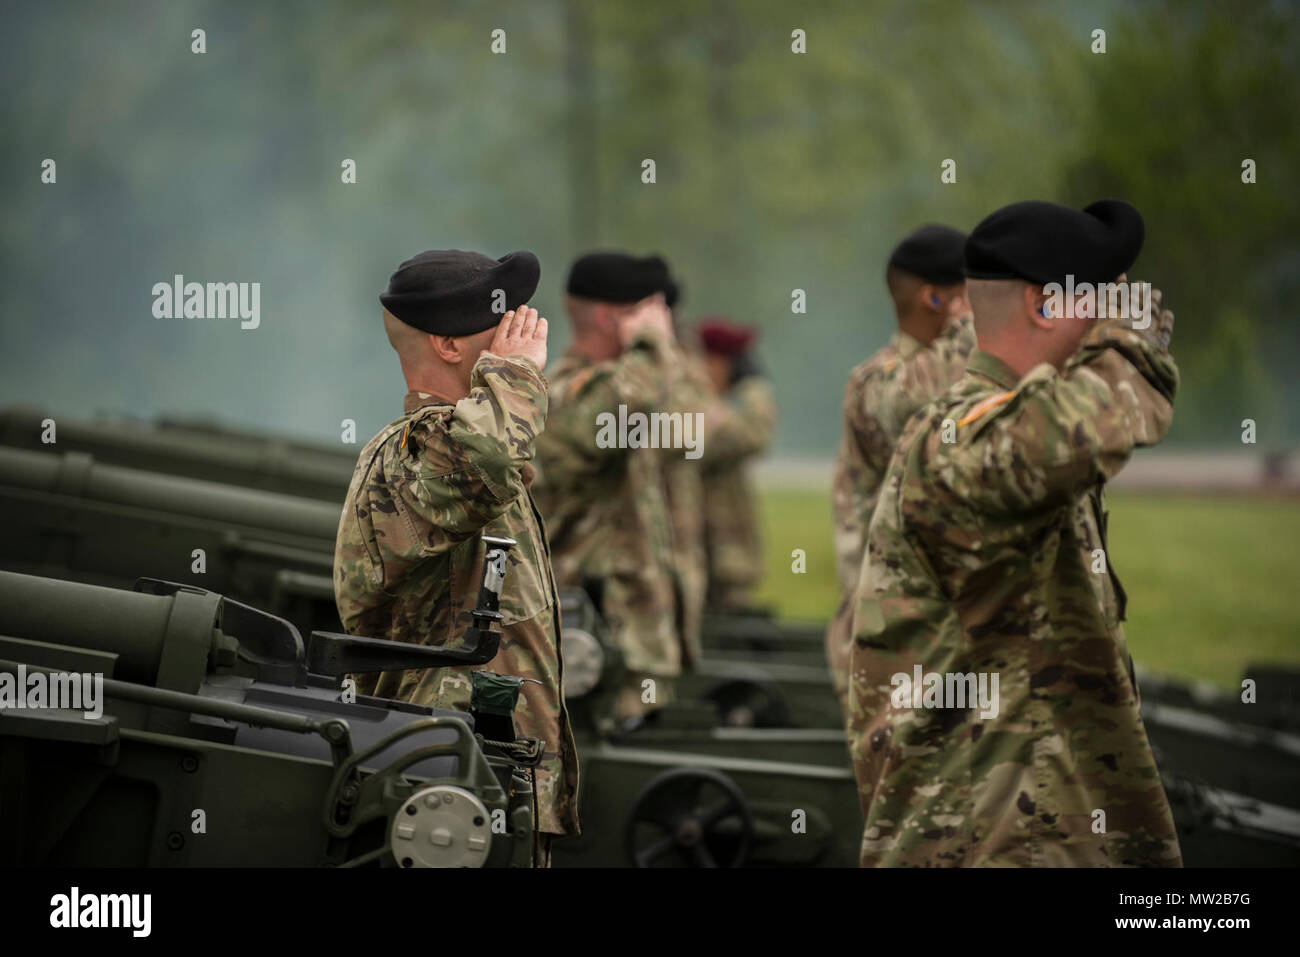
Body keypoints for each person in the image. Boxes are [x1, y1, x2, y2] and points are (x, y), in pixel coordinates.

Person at [847, 200, 1182, 867]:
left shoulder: (994, 422)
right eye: (1102, 296)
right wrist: (1134, 338)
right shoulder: (961, 438)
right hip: (989, 841)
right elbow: (1082, 428)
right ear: (1045, 304)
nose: (1113, 313)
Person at [333, 248, 579, 865]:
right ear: (448, 344)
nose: (522, 326)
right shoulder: (412, 451)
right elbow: (488, 458)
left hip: (485, 779)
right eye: (503, 316)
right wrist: (517, 373)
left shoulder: (456, 443)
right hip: (438, 783)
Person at [826, 225, 974, 718]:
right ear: (936, 297)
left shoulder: (957, 371)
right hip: (892, 646)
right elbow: (913, 402)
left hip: (935, 642)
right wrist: (974, 327)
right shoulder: (878, 381)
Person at [533, 252, 685, 722]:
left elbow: (681, 425)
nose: (662, 324)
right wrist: (651, 346)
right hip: (588, 647)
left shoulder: (611, 385)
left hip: (625, 645)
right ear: (606, 317)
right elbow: (622, 409)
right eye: (646, 312)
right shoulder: (562, 392)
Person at [696, 317, 777, 612]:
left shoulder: (711, 410)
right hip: (709, 558)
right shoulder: (693, 410)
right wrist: (755, 388)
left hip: (722, 560)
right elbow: (754, 434)